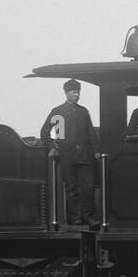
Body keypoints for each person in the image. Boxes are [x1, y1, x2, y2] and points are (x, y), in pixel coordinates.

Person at [40, 79, 100, 227]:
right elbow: (45, 132)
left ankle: (88, 217)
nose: (77, 95)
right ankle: (75, 219)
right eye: (74, 92)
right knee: (71, 189)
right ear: (66, 93)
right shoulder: (58, 112)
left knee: (88, 187)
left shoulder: (83, 111)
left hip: (86, 156)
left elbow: (91, 134)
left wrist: (97, 151)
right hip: (68, 156)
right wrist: (52, 147)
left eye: (78, 92)